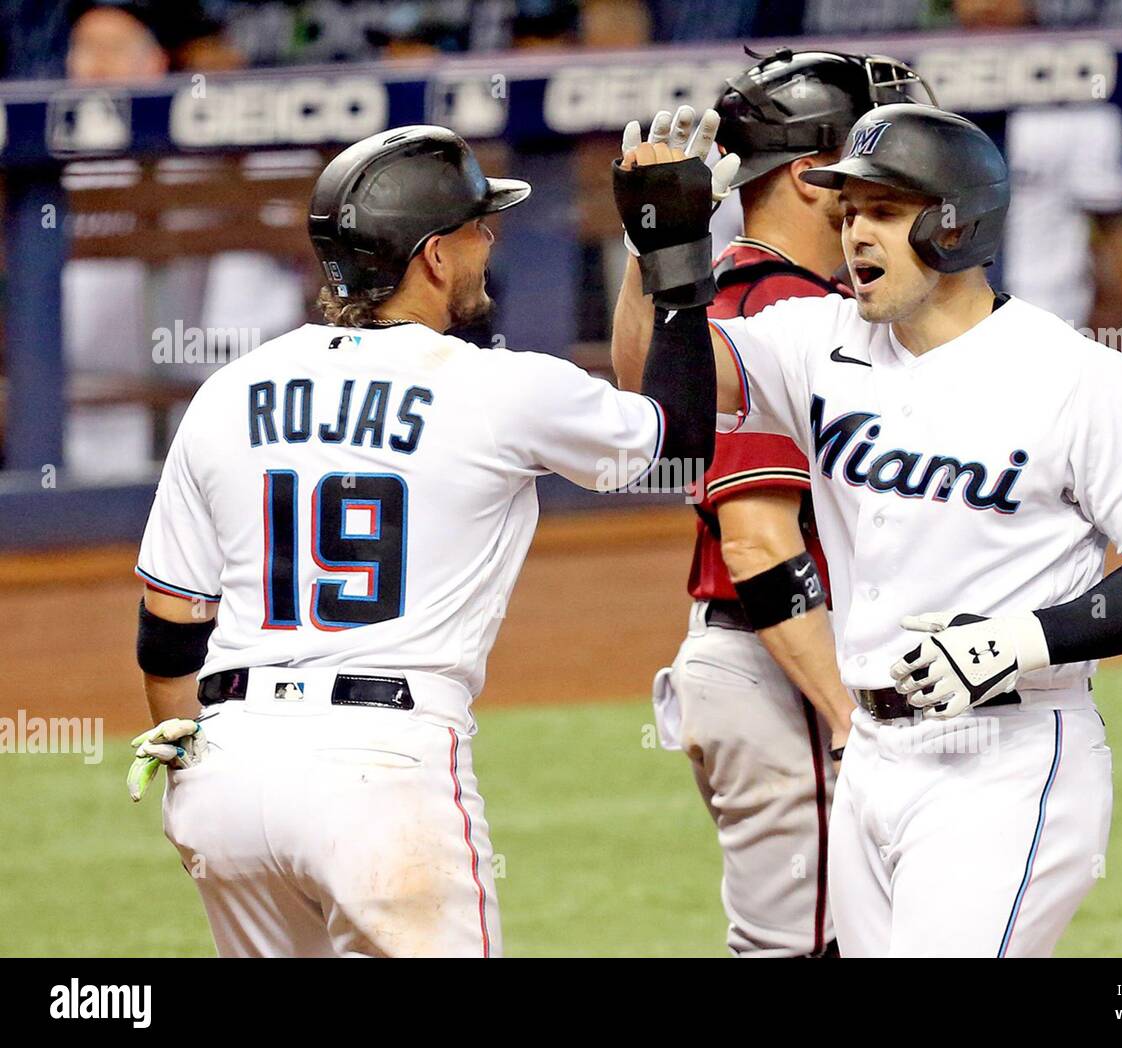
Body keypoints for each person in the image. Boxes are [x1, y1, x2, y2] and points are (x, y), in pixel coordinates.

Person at [612, 102, 1122, 956]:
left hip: (1007, 758)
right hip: (870, 758)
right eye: (849, 211)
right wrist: (666, 251)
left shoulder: (1072, 378)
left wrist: (1018, 640)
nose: (854, 234)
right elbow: (674, 415)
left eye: (883, 211)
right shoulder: (814, 341)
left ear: (955, 224)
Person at [126, 122, 729, 957]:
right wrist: (677, 256)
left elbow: (169, 624)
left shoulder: (228, 392)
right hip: (381, 772)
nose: (490, 243)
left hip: (227, 768)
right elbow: (684, 439)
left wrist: (197, 781)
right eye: (479, 228)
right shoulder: (495, 387)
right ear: (434, 257)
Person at [621, 48, 932, 959]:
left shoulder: (734, 292)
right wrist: (850, 720)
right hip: (782, 665)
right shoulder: (779, 311)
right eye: (870, 152)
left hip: (769, 666)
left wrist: (657, 256)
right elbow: (758, 543)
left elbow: (644, 387)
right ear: (808, 174)